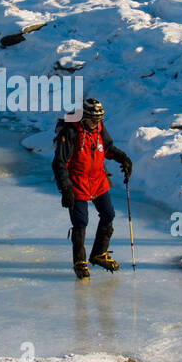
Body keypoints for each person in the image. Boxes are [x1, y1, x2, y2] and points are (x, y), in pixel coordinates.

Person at [52, 97, 133, 280]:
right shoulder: (71, 132)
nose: (96, 123)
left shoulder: (99, 128)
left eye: (98, 120)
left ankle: (98, 254)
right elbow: (59, 163)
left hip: (98, 180)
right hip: (77, 183)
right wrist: (66, 188)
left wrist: (123, 158)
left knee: (108, 214)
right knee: (81, 222)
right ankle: (80, 262)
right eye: (92, 120)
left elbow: (108, 148)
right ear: (84, 117)